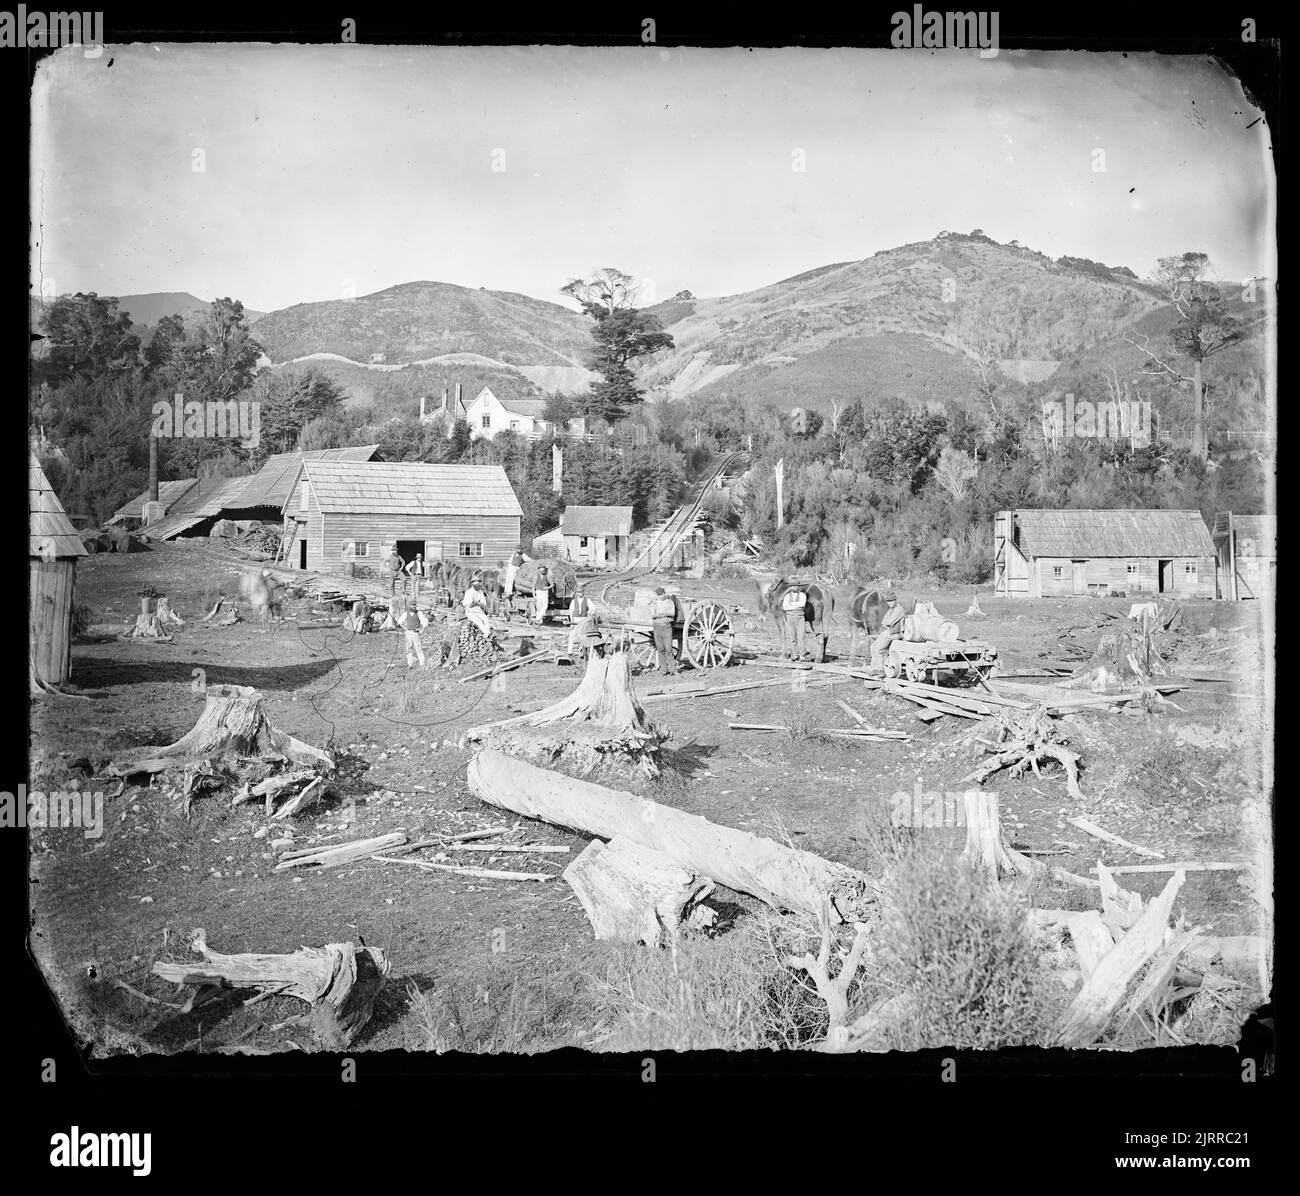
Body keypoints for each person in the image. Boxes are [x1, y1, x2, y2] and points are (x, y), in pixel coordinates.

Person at [866, 592, 906, 678]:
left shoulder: (899, 609)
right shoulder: (891, 610)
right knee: (872, 647)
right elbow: (884, 622)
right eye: (888, 601)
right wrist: (886, 624)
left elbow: (888, 622)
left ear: (895, 600)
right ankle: (875, 668)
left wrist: (887, 624)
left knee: (878, 649)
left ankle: (881, 670)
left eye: (892, 601)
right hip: (889, 632)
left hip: (896, 633)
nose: (890, 603)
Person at [780, 579, 810, 660]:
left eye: (795, 586)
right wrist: (796, 605)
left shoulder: (802, 595)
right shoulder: (786, 596)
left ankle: (802, 655)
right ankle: (794, 654)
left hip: (800, 617)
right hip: (790, 617)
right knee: (792, 636)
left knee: (801, 636)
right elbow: (785, 607)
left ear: (798, 587)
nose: (794, 587)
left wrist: (791, 605)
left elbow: (802, 604)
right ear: (790, 587)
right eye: (792, 586)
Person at [651, 586, 677, 674]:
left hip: (667, 626)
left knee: (668, 648)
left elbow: (672, 613)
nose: (660, 597)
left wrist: (661, 614)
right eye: (658, 595)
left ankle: (672, 669)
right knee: (660, 648)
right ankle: (664, 670)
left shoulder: (669, 602)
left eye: (661, 595)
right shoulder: (654, 603)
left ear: (664, 594)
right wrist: (664, 614)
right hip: (657, 626)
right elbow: (652, 615)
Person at [395, 598, 428, 668]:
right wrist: (405, 629)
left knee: (418, 648)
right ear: (409, 605)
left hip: (416, 633)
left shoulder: (419, 613)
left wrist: (422, 630)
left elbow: (425, 622)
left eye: (414, 605)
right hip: (408, 633)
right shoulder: (406, 613)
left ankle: (422, 663)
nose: (413, 606)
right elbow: (399, 621)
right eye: (412, 605)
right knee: (408, 649)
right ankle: (410, 664)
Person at [462, 570, 492, 637]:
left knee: (486, 619)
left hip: (478, 610)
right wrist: (478, 603)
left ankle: (487, 634)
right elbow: (470, 604)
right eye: (476, 583)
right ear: (473, 584)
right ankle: (488, 634)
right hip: (470, 611)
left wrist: (477, 604)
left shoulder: (480, 592)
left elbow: (483, 603)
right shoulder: (469, 592)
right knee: (478, 621)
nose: (477, 584)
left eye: (478, 583)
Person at [567, 582, 593, 657]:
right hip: (575, 620)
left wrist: (589, 616)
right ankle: (570, 651)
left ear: (583, 592)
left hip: (583, 620)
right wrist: (571, 622)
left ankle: (581, 652)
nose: (580, 593)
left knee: (583, 636)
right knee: (572, 635)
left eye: (581, 592)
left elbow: (593, 609)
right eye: (579, 592)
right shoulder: (573, 601)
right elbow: (571, 612)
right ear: (576, 593)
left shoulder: (587, 600)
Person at [502, 546, 529, 611]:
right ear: (516, 549)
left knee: (511, 579)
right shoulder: (513, 554)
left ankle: (510, 592)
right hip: (511, 567)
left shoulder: (523, 555)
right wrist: (508, 566)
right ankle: (506, 591)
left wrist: (524, 565)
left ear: (521, 549)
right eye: (518, 549)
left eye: (520, 549)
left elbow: (528, 559)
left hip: (516, 568)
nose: (519, 550)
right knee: (508, 579)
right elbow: (510, 561)